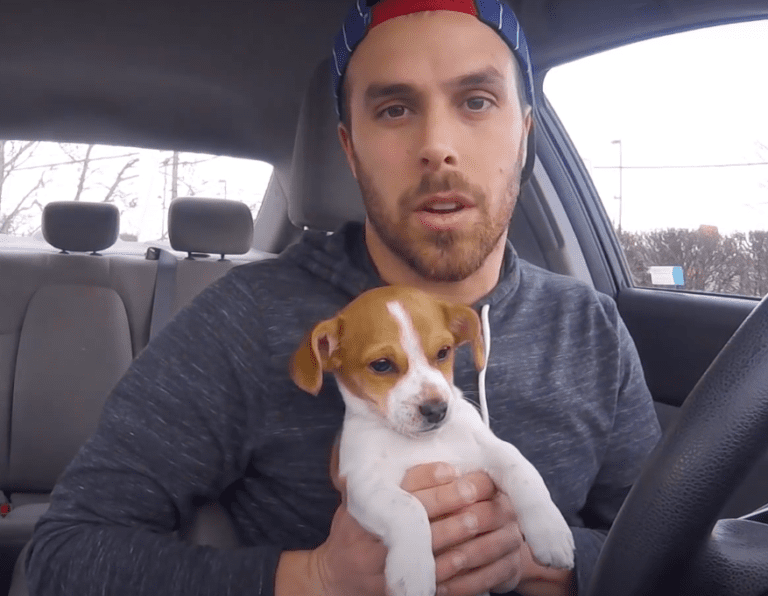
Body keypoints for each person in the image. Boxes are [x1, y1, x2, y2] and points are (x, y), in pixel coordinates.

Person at [27, 1, 661, 595]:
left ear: (523, 135)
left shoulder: (591, 327)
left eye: (476, 100)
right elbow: (63, 557)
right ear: (350, 150)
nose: (436, 146)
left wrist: (534, 561)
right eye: (394, 109)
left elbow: (670, 544)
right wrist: (319, 577)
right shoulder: (247, 321)